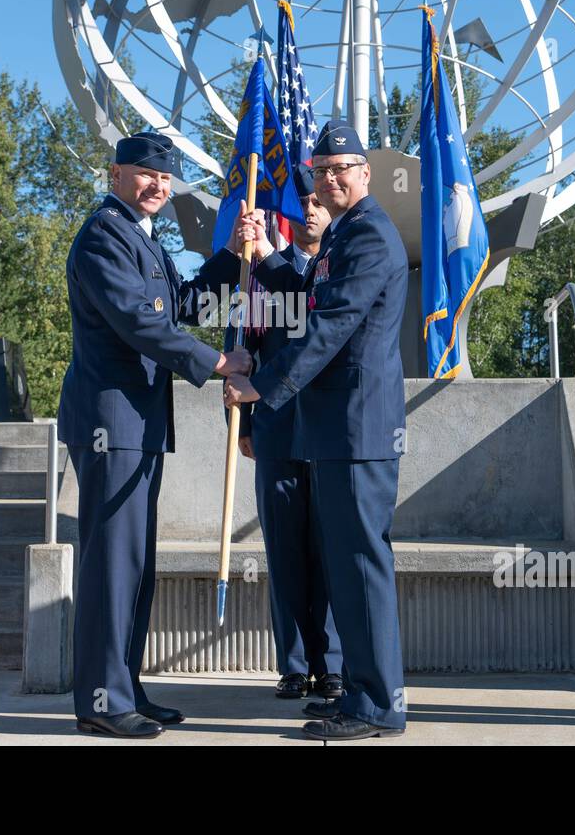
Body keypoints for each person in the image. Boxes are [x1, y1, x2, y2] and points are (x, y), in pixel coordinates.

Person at [58, 130, 261, 739]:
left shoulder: (143, 238)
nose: (158, 187)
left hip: (138, 425)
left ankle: (124, 689)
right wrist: (218, 363)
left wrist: (231, 254)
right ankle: (101, 701)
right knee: (112, 566)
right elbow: (138, 323)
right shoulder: (102, 235)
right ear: (115, 174)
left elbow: (185, 306)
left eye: (167, 180)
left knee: (136, 567)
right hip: (110, 423)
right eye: (146, 175)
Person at [224, 121, 409, 741]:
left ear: (365, 174)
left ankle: (379, 704)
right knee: (346, 566)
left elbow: (327, 327)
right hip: (334, 431)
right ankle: (359, 692)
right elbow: (303, 299)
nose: (329, 178)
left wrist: (262, 384)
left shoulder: (370, 238)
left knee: (360, 567)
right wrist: (268, 255)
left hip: (357, 431)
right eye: (322, 168)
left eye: (342, 168)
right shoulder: (344, 237)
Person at [227, 162, 343, 701]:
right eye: (304, 202)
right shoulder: (259, 277)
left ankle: (334, 663)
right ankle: (295, 665)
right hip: (275, 430)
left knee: (331, 550)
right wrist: (248, 421)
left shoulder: (336, 265)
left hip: (326, 434)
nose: (313, 207)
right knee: (285, 552)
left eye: (318, 199)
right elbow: (247, 352)